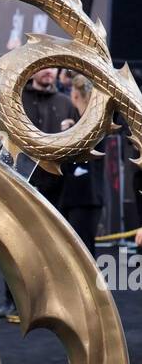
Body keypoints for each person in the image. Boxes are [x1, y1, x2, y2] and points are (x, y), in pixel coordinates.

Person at [0, 67, 74, 320]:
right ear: (32, 70)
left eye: (53, 68)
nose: (49, 72)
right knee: (16, 244)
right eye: (44, 67)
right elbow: (2, 141)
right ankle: (12, 299)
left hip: (56, 189)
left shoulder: (65, 103)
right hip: (19, 186)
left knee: (51, 247)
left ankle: (49, 303)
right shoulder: (16, 100)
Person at [57, 74, 105, 262]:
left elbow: (77, 154)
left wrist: (66, 133)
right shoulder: (89, 122)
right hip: (80, 196)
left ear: (75, 94)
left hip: (85, 196)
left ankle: (91, 291)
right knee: (79, 250)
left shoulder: (91, 123)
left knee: (82, 252)